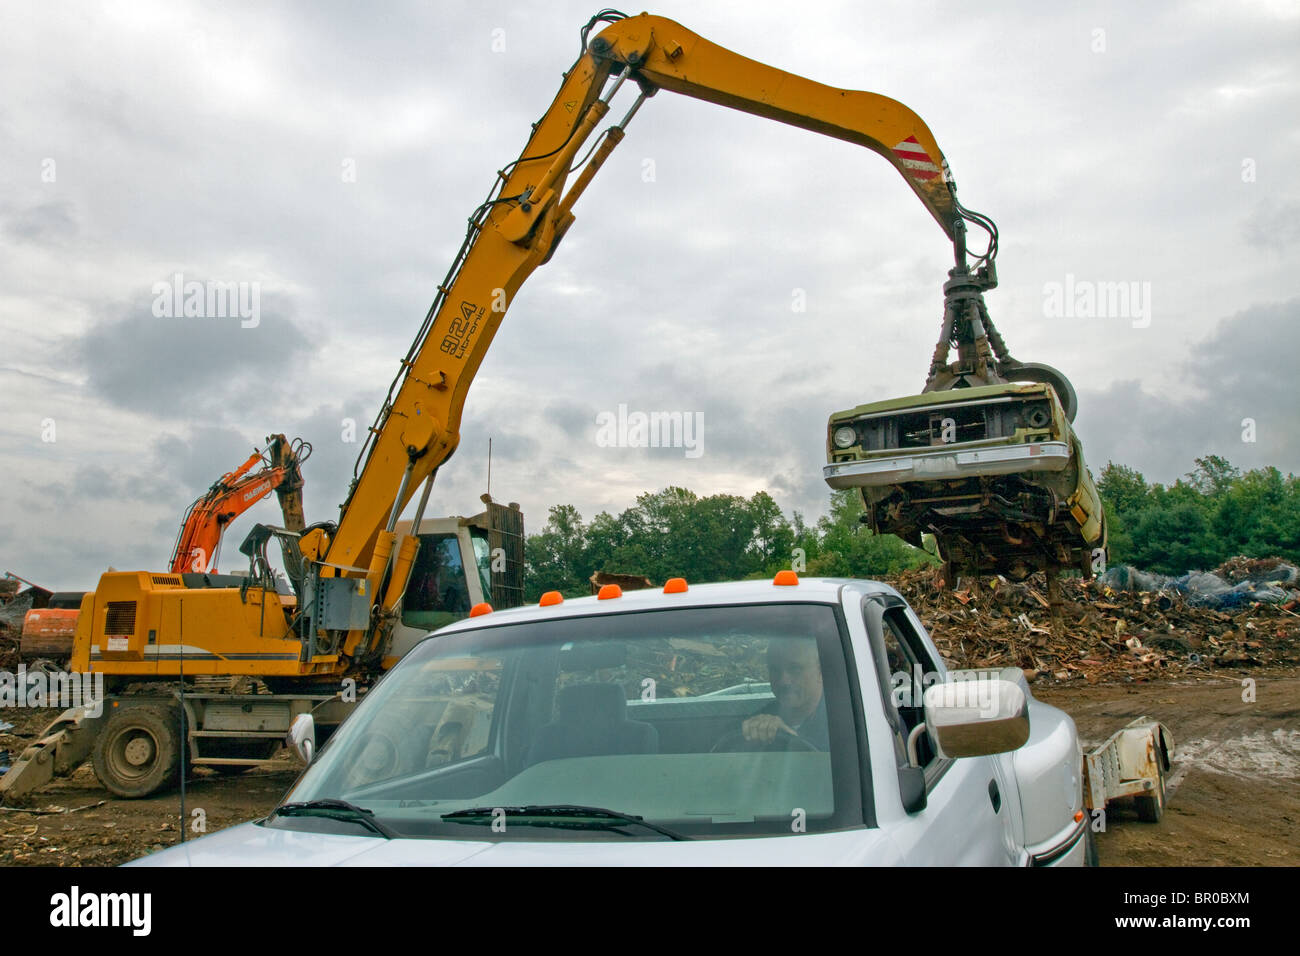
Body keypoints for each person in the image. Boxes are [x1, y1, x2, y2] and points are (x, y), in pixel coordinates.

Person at [741, 636, 829, 751]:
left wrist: (791, 738)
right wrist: (749, 745)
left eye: (795, 669)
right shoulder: (757, 721)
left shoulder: (844, 721)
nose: (783, 681)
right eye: (774, 670)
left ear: (820, 672)